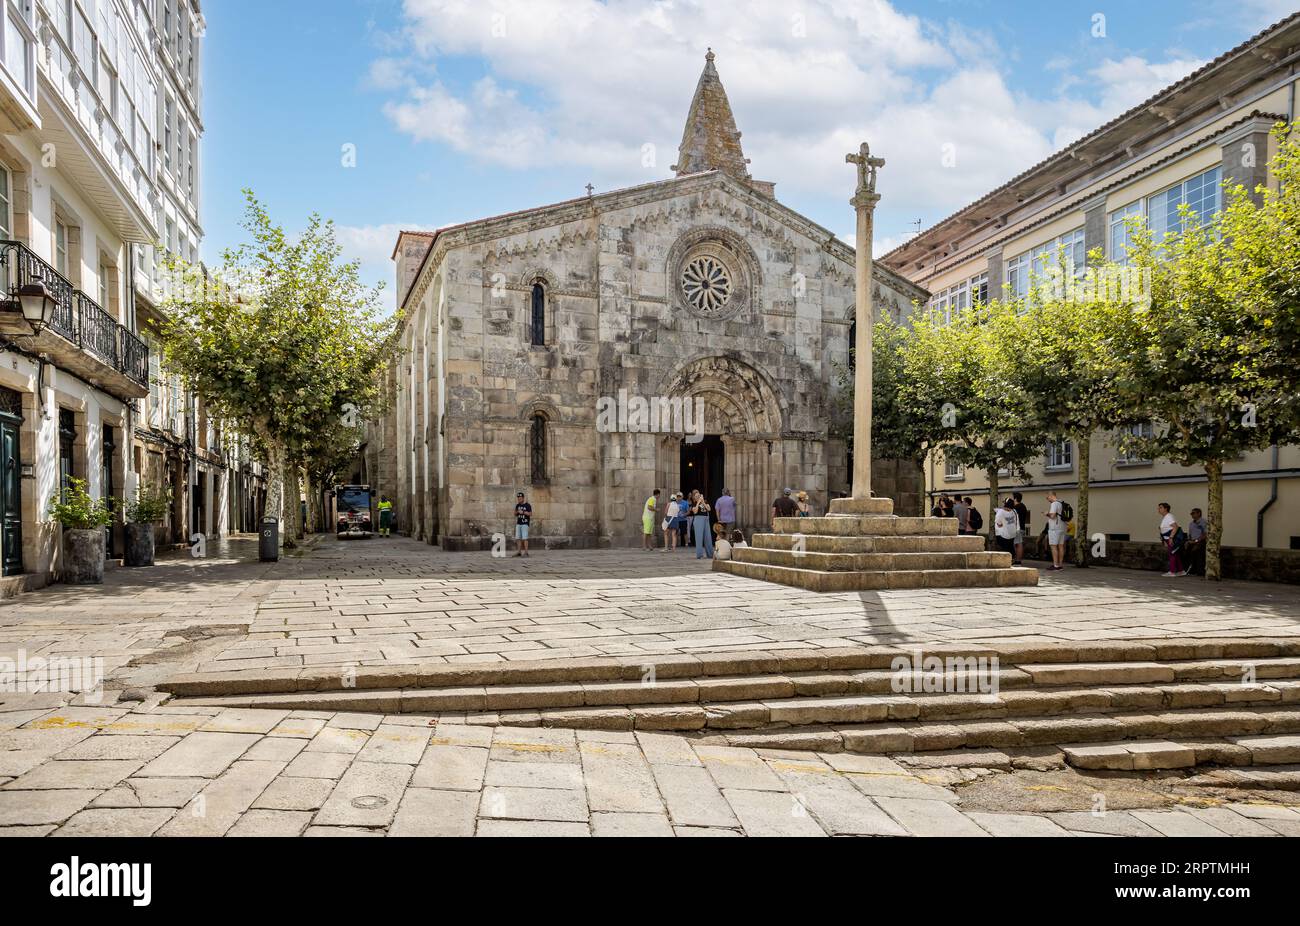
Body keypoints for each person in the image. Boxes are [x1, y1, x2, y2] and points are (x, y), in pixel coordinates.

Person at [1158, 502, 1184, 577]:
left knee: (1172, 554)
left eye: (1160, 507)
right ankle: (1181, 571)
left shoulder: (1169, 516)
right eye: (1158, 508)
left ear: (1166, 509)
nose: (1158, 509)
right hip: (1167, 539)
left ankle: (1172, 571)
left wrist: (1171, 538)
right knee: (1175, 553)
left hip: (1172, 538)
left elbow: (1175, 527)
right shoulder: (1166, 517)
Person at [1044, 490, 1067, 571]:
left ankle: (1055, 565)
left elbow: (1053, 515)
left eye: (1047, 497)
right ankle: (1060, 565)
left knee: (1053, 546)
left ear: (1051, 495)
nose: (1047, 499)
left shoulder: (1054, 504)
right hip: (1062, 527)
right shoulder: (1061, 503)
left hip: (1054, 528)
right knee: (1061, 546)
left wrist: (1046, 513)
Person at [690, 492, 713, 559]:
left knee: (708, 537)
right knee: (699, 537)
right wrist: (698, 503)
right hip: (698, 519)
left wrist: (702, 502)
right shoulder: (694, 504)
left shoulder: (705, 503)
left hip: (705, 519)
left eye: (699, 495)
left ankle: (710, 554)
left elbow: (709, 509)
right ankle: (699, 555)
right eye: (696, 496)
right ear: (694, 498)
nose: (698, 497)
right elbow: (695, 511)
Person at [1184, 508, 1207, 576]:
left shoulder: (1204, 522)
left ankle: (1199, 571)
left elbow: (1205, 534)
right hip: (1192, 542)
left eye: (1193, 513)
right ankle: (1189, 570)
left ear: (1199, 513)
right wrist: (1188, 541)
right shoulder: (1191, 524)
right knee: (1185, 551)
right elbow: (1190, 535)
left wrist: (1196, 541)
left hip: (1200, 542)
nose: (1192, 515)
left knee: (1197, 552)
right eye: (1191, 514)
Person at [1012, 492, 1030, 564]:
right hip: (1021, 527)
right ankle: (1017, 559)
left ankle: (1018, 560)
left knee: (1018, 544)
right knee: (1017, 544)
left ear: (1015, 499)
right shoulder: (1023, 506)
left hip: (1018, 528)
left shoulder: (1017, 507)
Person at [514, 492, 532, 557]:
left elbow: (530, 514)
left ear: (523, 498)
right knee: (518, 538)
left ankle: (526, 552)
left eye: (520, 498)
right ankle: (519, 552)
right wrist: (517, 512)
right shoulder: (517, 505)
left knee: (525, 538)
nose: (519, 499)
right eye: (518, 498)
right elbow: (515, 514)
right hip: (519, 523)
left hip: (525, 523)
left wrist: (523, 512)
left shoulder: (527, 505)